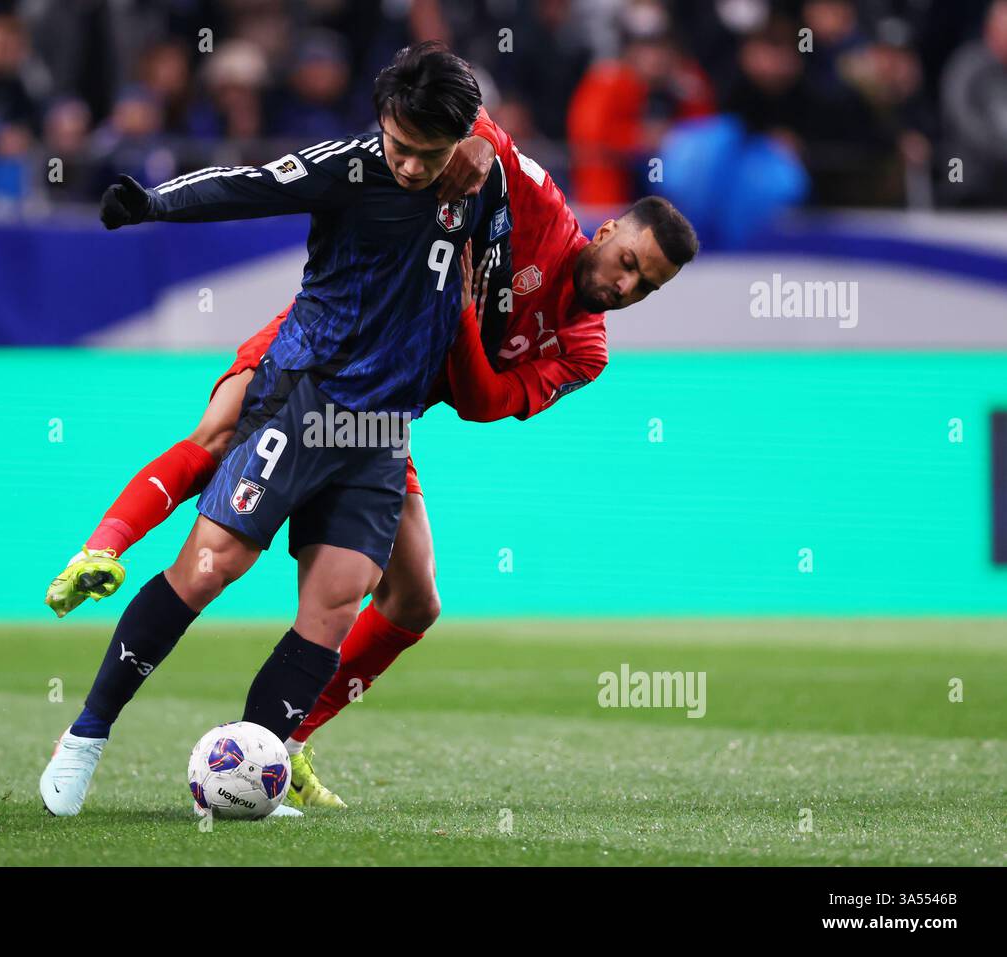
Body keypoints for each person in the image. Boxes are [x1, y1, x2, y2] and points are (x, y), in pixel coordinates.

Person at [45, 105, 698, 810]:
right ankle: (96, 582)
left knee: (412, 597)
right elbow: (456, 104)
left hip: (390, 411)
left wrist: (464, 314)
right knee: (214, 464)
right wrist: (477, 145)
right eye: (629, 262)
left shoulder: (586, 350)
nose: (626, 286)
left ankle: (274, 746)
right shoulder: (538, 204)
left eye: (647, 286)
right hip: (318, 356)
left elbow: (483, 402)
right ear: (607, 233)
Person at [38, 42, 512, 819]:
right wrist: (153, 204)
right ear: (381, 121)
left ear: (461, 135)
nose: (413, 166)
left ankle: (250, 768)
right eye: (400, 145)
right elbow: (247, 185)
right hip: (305, 396)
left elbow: (494, 263)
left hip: (383, 428)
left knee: (335, 603)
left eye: (431, 153)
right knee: (210, 566)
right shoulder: (350, 168)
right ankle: (85, 736)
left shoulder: (478, 179)